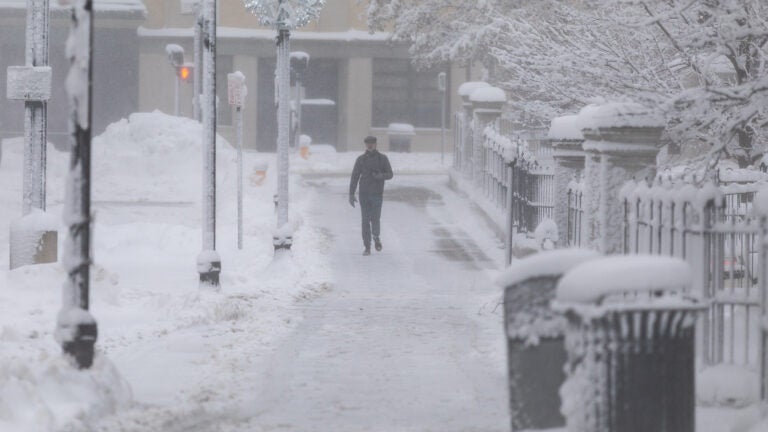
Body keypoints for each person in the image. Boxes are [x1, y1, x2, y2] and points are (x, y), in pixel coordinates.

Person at [349, 135, 394, 255]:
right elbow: (355, 177)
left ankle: (376, 237)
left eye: (372, 143)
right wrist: (351, 193)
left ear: (375, 144)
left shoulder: (382, 159)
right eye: (368, 143)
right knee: (365, 221)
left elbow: (390, 174)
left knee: (375, 219)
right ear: (365, 145)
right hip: (364, 194)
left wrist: (381, 176)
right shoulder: (361, 160)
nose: (370, 145)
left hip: (377, 194)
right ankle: (367, 246)